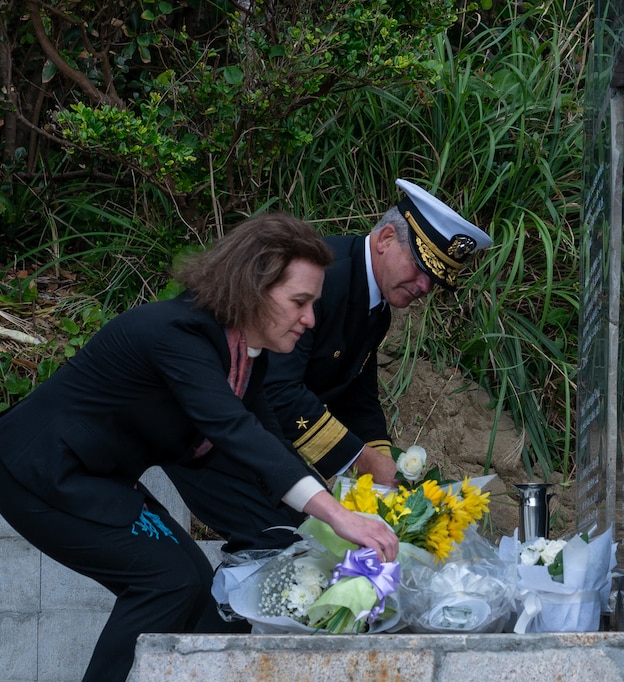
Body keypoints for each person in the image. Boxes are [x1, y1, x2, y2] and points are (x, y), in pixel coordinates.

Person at [0, 213, 398, 682]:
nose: (310, 320)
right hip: (39, 475)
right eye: (300, 302)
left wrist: (327, 519)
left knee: (197, 587)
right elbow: (232, 430)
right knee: (166, 583)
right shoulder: (176, 334)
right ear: (253, 288)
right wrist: (336, 516)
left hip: (99, 479)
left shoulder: (242, 352)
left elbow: (268, 442)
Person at [163, 178, 492, 556]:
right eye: (420, 267)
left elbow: (357, 395)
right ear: (386, 238)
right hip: (206, 429)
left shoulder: (375, 302)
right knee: (280, 539)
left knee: (298, 536)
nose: (424, 287)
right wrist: (361, 459)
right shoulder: (323, 278)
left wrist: (384, 464)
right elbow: (277, 388)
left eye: (434, 279)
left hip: (256, 432)